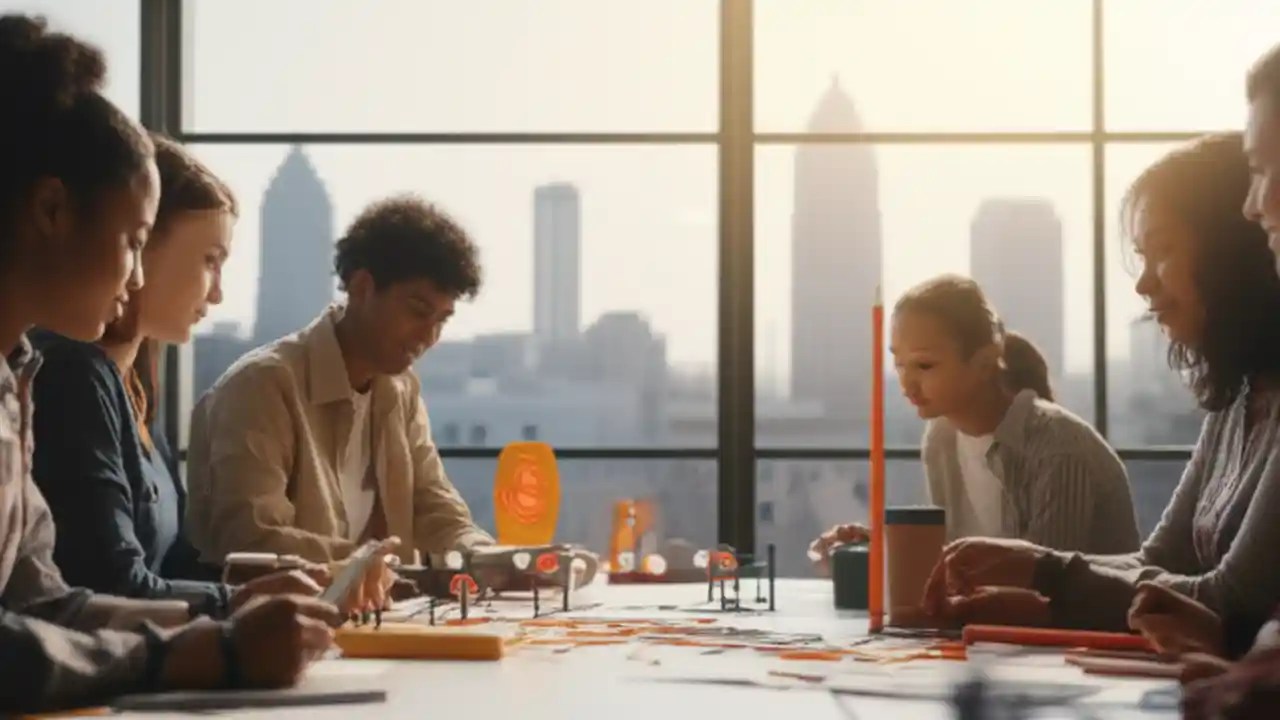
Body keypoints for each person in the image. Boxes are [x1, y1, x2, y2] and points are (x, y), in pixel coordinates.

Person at [0, 15, 341, 712]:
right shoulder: (69, 376)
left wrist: (221, 622)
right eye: (133, 240)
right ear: (52, 211)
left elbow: (47, 606)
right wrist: (198, 649)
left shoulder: (18, 381)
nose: (134, 276)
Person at [922, 132, 1280, 655]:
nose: (1143, 286)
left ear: (1231, 249)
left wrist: (1043, 569)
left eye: (1163, 251)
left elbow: (1228, 601)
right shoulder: (1235, 400)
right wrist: (1023, 587)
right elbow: (1158, 560)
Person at [27, 134, 394, 616]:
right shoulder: (76, 375)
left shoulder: (130, 389)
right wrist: (244, 598)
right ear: (142, 244)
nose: (218, 293)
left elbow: (171, 564)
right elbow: (111, 584)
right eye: (209, 261)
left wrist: (290, 579)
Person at [186, 194, 497, 568]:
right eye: (418, 311)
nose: (429, 336)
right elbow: (252, 540)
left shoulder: (400, 389)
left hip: (371, 612)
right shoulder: (263, 386)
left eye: (442, 320)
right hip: (273, 619)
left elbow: (433, 504)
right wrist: (385, 565)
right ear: (362, 288)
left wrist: (487, 557)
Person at [809, 275, 1138, 573]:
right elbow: (953, 562)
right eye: (899, 364)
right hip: (987, 631)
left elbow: (1046, 586)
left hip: (1079, 636)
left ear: (983, 363)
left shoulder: (1058, 448)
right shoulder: (941, 438)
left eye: (924, 365)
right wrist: (878, 550)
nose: (907, 384)